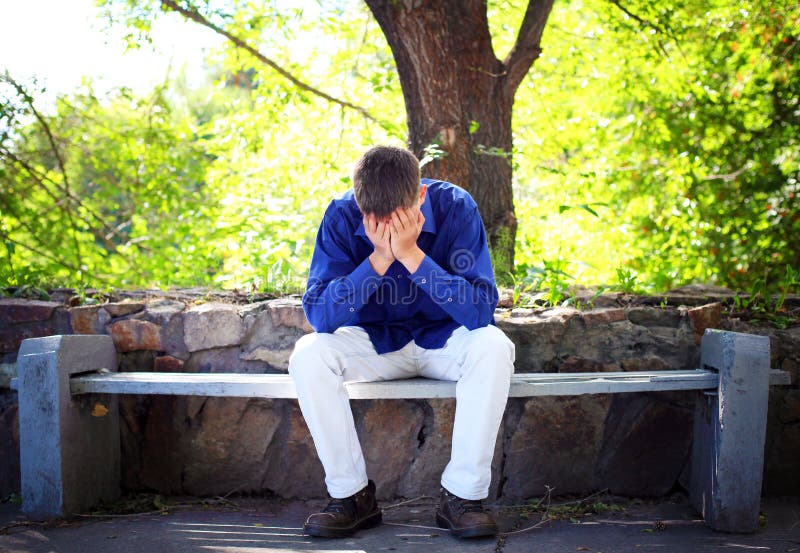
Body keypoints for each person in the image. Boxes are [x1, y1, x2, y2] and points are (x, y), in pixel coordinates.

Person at [288, 145, 515, 539]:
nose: (389, 227)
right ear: (359, 204)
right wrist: (377, 259)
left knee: (494, 347)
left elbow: (479, 312)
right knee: (309, 355)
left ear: (421, 196)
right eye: (376, 220)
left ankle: (463, 497)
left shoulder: (456, 208)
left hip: (444, 340)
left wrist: (411, 255)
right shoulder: (340, 216)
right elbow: (321, 318)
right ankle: (351, 496)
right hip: (374, 344)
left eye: (401, 217)